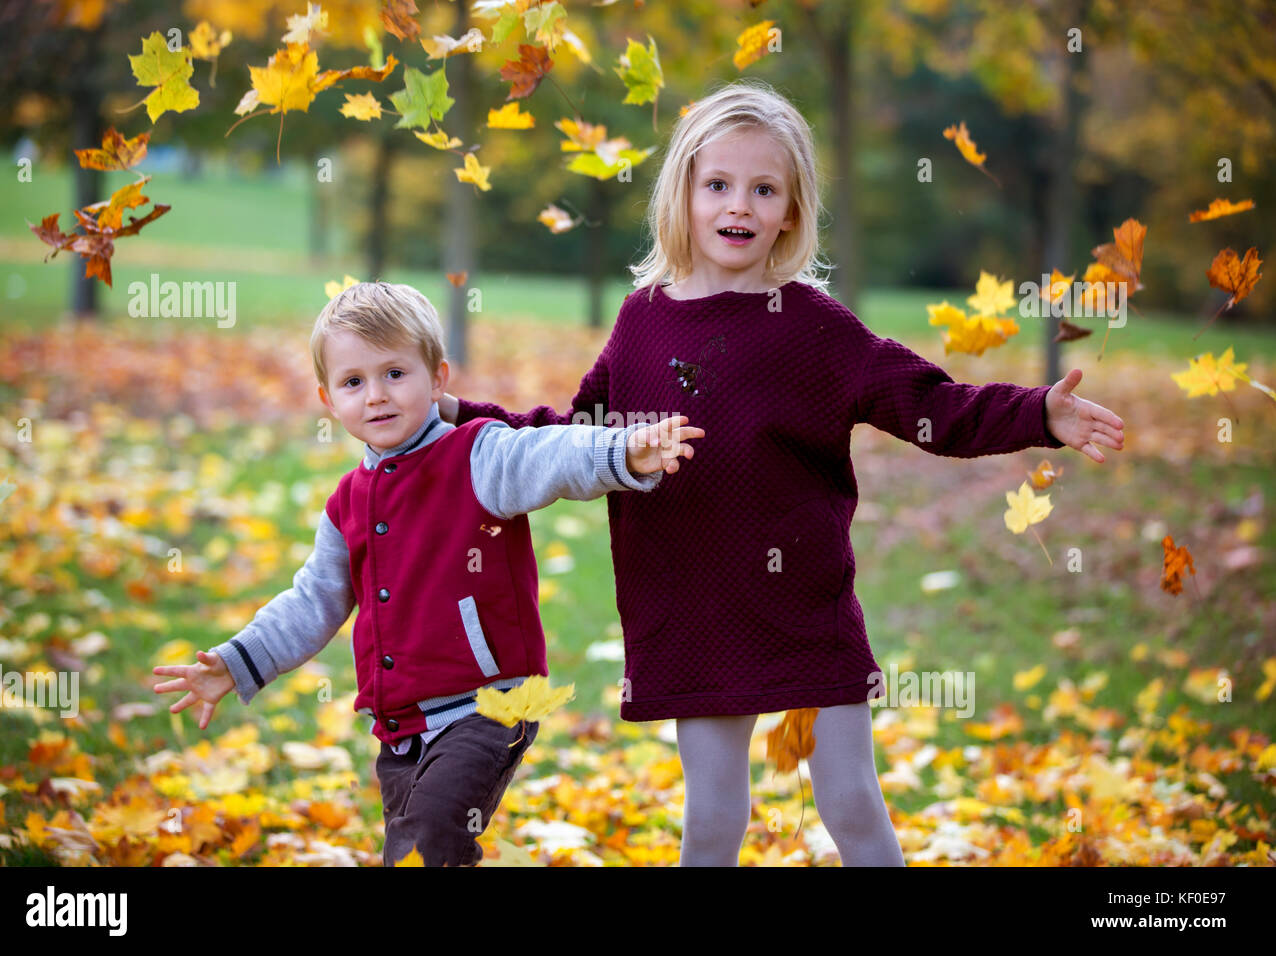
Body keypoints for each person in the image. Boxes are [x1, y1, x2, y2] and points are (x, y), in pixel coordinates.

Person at [438, 80, 1126, 866]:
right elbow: (578, 437)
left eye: (765, 189)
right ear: (685, 195)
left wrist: (1039, 413)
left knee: (852, 802)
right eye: (719, 184)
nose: (741, 205)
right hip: (690, 606)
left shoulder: (813, 328)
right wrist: (474, 423)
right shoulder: (641, 321)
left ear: (792, 210)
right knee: (714, 814)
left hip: (806, 605)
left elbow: (932, 407)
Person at [152, 281, 704, 867]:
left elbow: (548, 455)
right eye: (354, 382)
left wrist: (622, 453)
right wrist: (237, 662)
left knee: (427, 843)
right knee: (414, 855)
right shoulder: (346, 504)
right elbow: (311, 601)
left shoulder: (476, 456)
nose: (377, 397)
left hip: (488, 708)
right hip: (401, 731)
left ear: (438, 377)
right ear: (328, 398)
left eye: (396, 373)